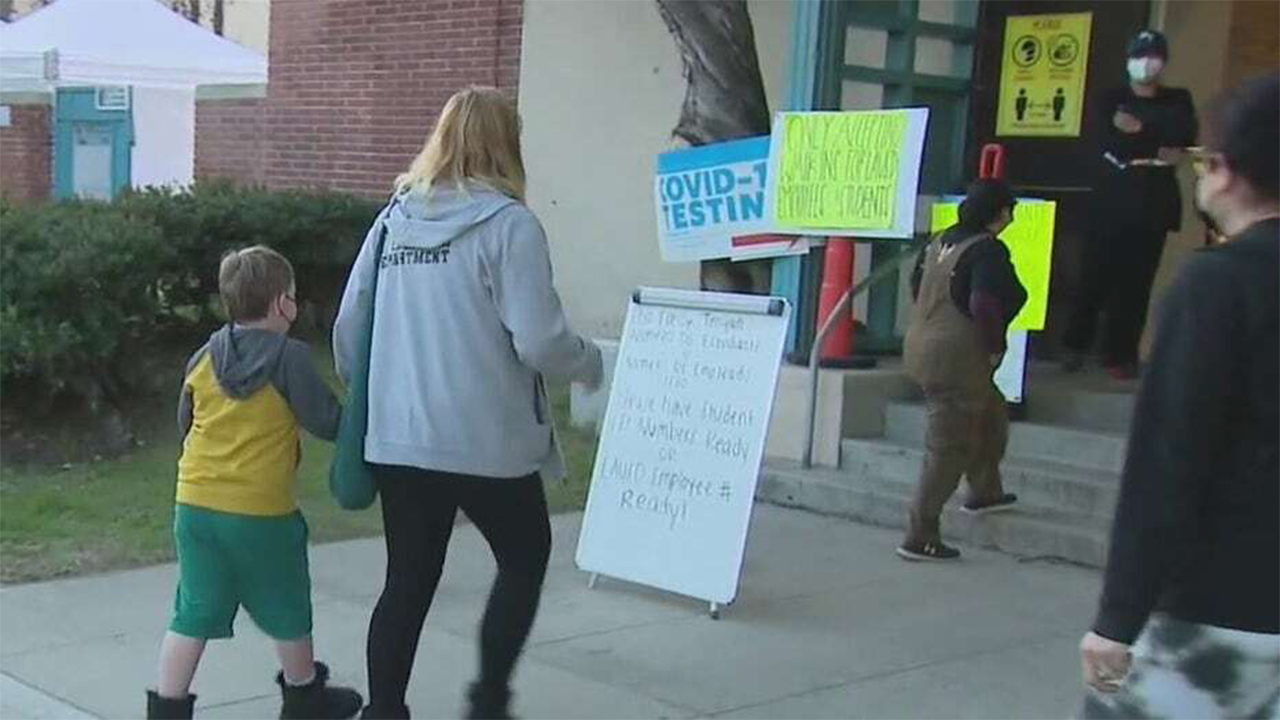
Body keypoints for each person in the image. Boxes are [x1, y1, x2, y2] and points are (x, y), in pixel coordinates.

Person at [334, 87, 603, 719]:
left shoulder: (393, 222)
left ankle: (385, 710)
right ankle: (487, 701)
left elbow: (349, 330)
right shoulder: (511, 226)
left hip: (401, 436)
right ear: (508, 145)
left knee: (407, 579)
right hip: (487, 440)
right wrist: (590, 363)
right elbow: (540, 340)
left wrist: (377, 393)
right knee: (524, 556)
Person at [1079, 72, 1279, 719]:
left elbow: (1168, 460)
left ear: (1225, 170)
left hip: (1219, 605)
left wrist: (1117, 618)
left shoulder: (1216, 286)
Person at [147, 247, 363, 720]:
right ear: (282, 303)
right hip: (262, 514)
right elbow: (328, 422)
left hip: (195, 505)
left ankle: (167, 708)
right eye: (293, 296)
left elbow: (186, 421)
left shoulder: (204, 357)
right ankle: (305, 697)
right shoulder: (289, 358)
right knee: (287, 604)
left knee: (193, 610)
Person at [898, 179, 1028, 562]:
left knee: (991, 413)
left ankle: (986, 490)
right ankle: (920, 533)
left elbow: (916, 285)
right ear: (1001, 213)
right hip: (957, 358)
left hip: (922, 345)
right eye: (1010, 212)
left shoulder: (939, 241)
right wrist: (995, 346)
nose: (1011, 219)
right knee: (948, 448)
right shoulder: (988, 251)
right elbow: (984, 302)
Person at [1062, 30, 1197, 379]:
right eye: (1140, 55)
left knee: (1136, 284)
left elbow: (1181, 138)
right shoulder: (1111, 97)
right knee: (1093, 276)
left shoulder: (1178, 98)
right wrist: (1154, 140)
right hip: (1110, 200)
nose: (1146, 63)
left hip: (1153, 204)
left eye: (1153, 56)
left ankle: (1120, 355)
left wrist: (1141, 129)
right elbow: (1106, 140)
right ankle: (1074, 346)